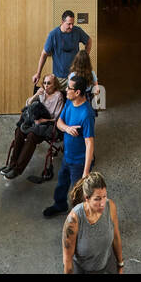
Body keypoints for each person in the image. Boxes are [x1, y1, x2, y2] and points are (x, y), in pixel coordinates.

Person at [44, 73, 96, 218]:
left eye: (69, 88)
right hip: (67, 157)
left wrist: (86, 172)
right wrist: (67, 128)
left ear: (77, 92)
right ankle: (60, 205)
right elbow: (59, 122)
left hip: (79, 163)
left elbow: (89, 143)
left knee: (78, 195)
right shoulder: (69, 103)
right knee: (61, 184)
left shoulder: (87, 114)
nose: (66, 90)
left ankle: (80, 220)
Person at [1, 74, 65, 180]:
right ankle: (12, 164)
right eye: (44, 83)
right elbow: (28, 105)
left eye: (49, 83)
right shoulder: (41, 93)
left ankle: (17, 169)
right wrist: (36, 95)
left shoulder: (58, 96)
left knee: (32, 136)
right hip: (35, 121)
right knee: (19, 131)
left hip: (48, 124)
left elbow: (57, 118)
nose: (46, 85)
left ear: (55, 85)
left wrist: (43, 120)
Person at [62, 172, 124, 274]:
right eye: (97, 199)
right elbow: (67, 261)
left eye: (104, 196)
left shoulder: (110, 206)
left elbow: (116, 236)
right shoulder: (73, 220)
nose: (103, 203)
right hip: (83, 271)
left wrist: (120, 264)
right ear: (87, 198)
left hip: (108, 266)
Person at [34, 10, 91, 87]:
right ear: (62, 22)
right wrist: (38, 73)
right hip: (59, 77)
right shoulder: (53, 35)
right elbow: (44, 54)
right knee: (59, 98)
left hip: (75, 75)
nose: (71, 26)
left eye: (72, 24)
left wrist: (84, 57)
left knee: (73, 98)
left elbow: (89, 41)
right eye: (68, 24)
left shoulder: (77, 31)